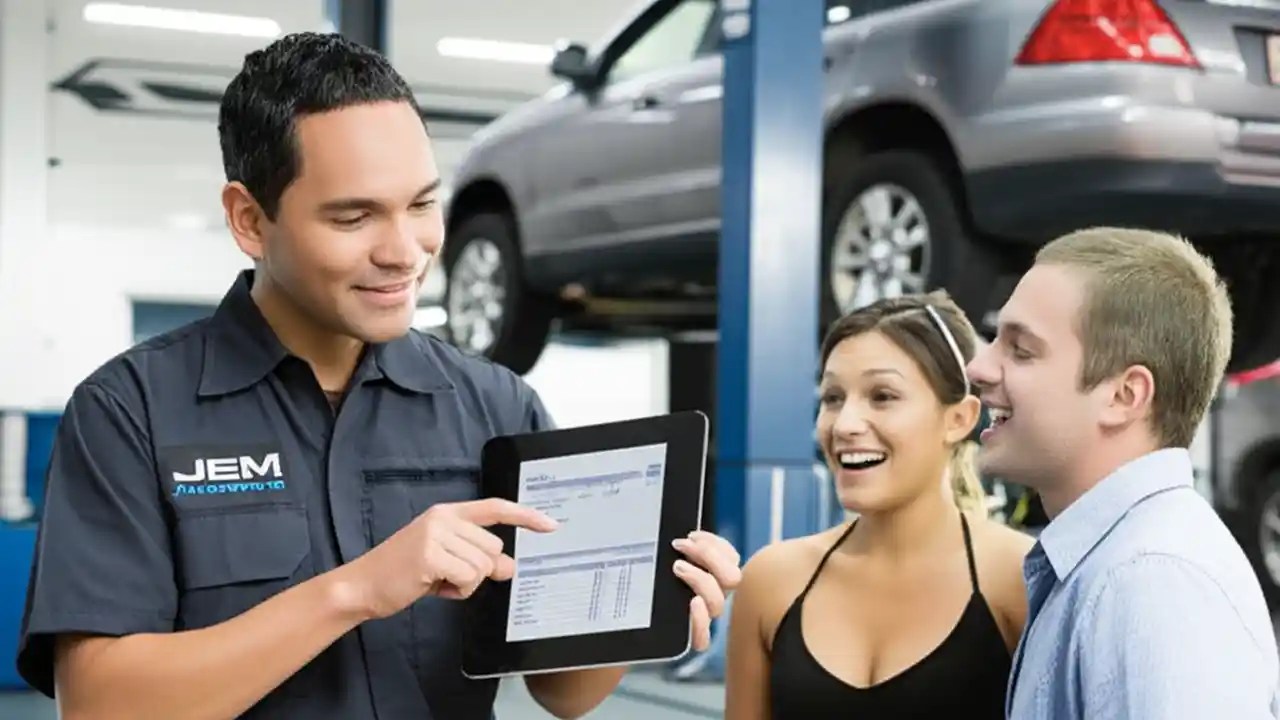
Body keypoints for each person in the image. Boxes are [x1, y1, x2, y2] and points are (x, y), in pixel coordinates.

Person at [14, 32, 742, 720]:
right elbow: (100, 703)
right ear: (250, 220)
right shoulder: (131, 411)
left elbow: (561, 689)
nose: (405, 252)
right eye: (354, 217)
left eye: (423, 205)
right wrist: (356, 590)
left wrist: (648, 609)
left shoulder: (495, 405)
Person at [966, 227, 1280, 718]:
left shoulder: (1151, 583)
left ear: (1124, 396)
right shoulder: (1125, 566)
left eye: (1021, 350)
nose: (978, 367)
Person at [724, 291, 1035, 719]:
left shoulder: (1019, 579)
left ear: (958, 418)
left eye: (883, 396)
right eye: (832, 397)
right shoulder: (772, 581)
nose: (845, 425)